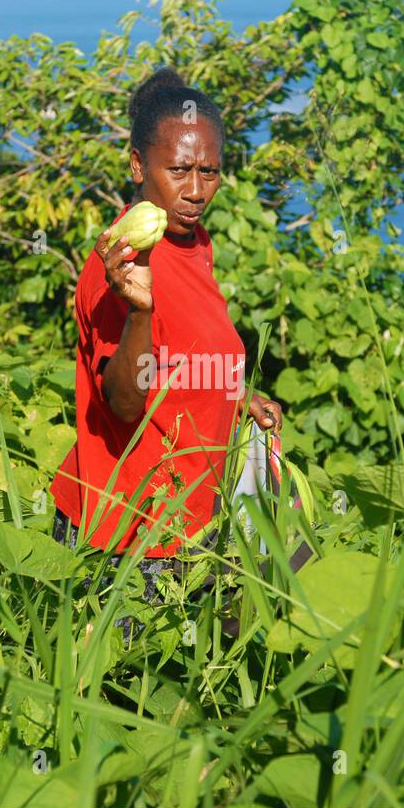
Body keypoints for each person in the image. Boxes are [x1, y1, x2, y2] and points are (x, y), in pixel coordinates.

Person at [48, 67, 284, 602]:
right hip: (130, 541)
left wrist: (236, 394)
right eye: (179, 170)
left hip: (190, 527)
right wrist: (138, 313)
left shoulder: (192, 241)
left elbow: (186, 351)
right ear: (137, 165)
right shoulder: (120, 263)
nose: (197, 190)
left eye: (210, 171)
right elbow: (124, 402)